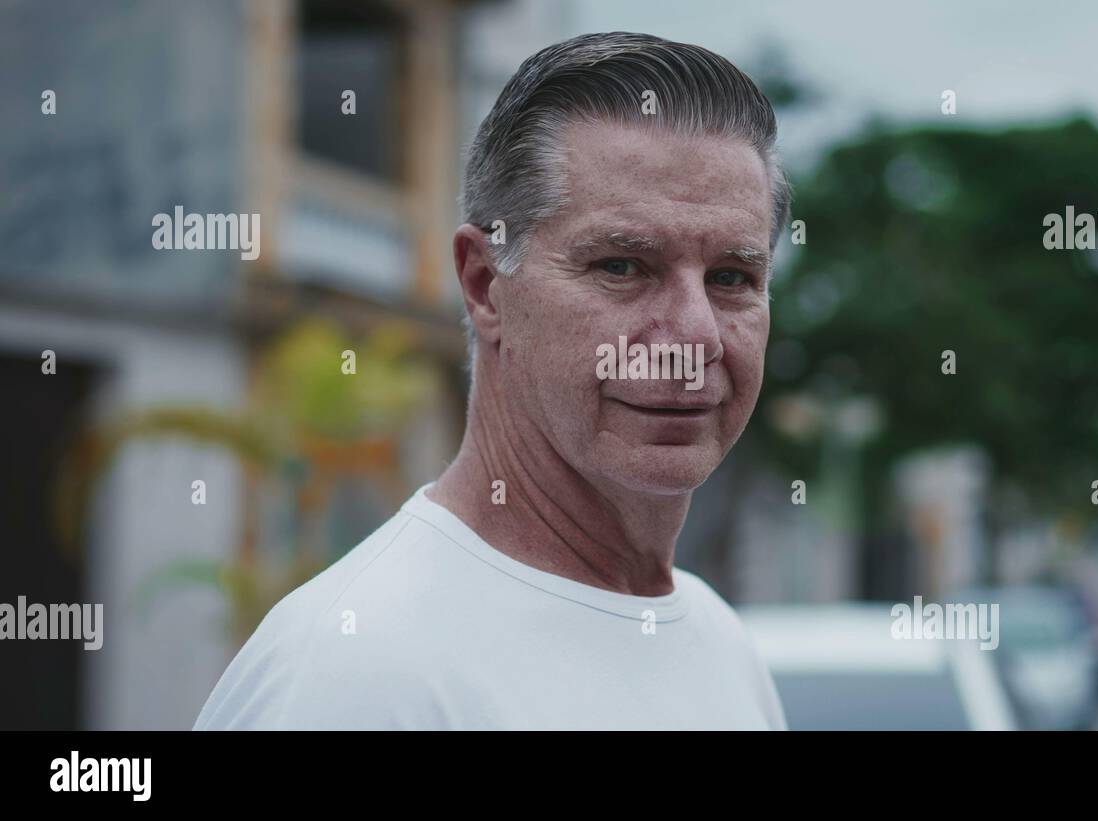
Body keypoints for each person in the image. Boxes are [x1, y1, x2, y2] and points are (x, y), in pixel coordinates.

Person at [195, 31, 791, 730]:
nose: (694, 337)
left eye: (731, 278)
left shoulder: (719, 644)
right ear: (484, 284)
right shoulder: (356, 675)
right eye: (622, 267)